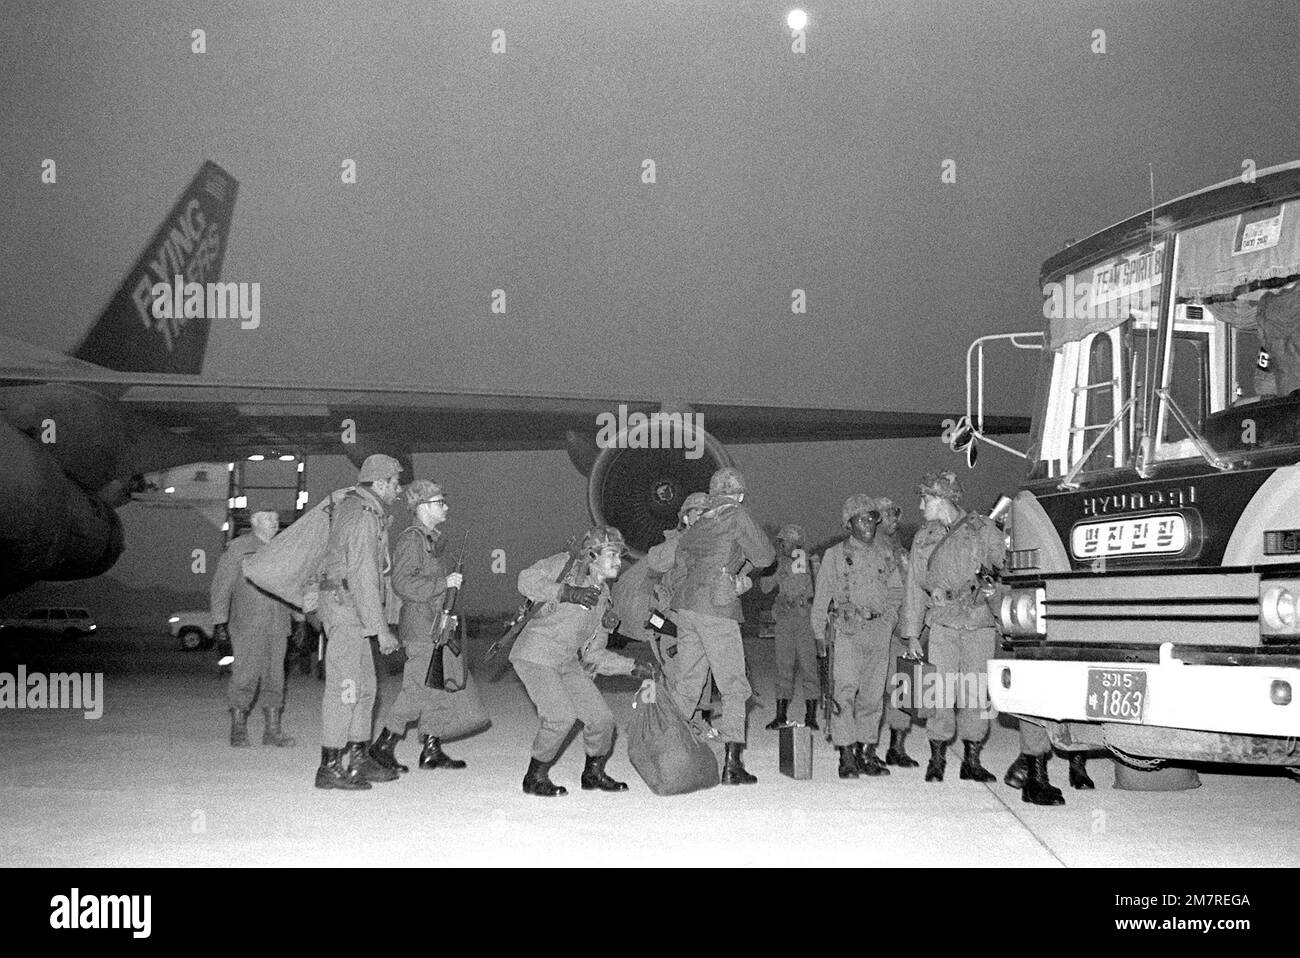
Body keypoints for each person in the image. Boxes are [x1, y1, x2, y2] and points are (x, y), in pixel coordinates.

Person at [510, 525, 648, 797]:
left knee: (602, 720)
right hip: (535, 654)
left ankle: (593, 773)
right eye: (612, 554)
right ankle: (534, 776)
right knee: (561, 716)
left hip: (566, 662)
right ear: (593, 555)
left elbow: (593, 654)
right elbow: (525, 580)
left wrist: (632, 667)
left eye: (620, 556)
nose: (618, 562)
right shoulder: (566, 564)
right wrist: (567, 592)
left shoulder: (604, 598)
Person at [663, 466, 775, 784]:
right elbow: (766, 557)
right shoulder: (736, 514)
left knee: (687, 685)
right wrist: (738, 575)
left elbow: (682, 559)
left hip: (686, 608)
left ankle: (668, 752)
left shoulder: (700, 521)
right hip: (717, 609)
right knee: (734, 687)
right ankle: (732, 766)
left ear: (713, 494)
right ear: (739, 494)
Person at [899, 471, 1004, 787]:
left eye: (925, 499)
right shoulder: (923, 537)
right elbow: (914, 588)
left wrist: (996, 564)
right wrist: (912, 633)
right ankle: (937, 757)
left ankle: (972, 760)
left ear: (940, 499)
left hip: (978, 621)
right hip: (943, 623)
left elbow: (1005, 565)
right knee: (939, 693)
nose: (921, 506)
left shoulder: (983, 528)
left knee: (975, 693)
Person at [313, 454, 404, 791]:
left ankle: (357, 759)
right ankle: (331, 766)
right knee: (345, 689)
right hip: (347, 611)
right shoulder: (363, 517)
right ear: (379, 484)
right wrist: (381, 630)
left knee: (365, 689)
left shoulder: (366, 512)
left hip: (355, 613)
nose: (398, 490)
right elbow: (364, 576)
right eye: (395, 484)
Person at [369, 480, 470, 774]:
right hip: (420, 627)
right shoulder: (412, 540)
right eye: (440, 502)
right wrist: (444, 582)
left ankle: (431, 749)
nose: (446, 507)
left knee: (436, 689)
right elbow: (402, 583)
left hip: (435, 625)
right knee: (417, 689)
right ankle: (382, 747)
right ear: (423, 507)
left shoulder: (428, 541)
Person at [810, 496, 905, 778]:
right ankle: (846, 754)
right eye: (861, 519)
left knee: (873, 697)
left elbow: (896, 592)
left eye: (872, 518)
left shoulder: (885, 552)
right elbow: (821, 599)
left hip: (879, 632)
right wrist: (819, 636)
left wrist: (888, 621)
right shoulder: (835, 555)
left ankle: (867, 752)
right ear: (849, 524)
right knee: (844, 693)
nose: (869, 524)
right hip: (847, 633)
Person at [210, 509, 295, 748]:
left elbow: (290, 584)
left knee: (275, 678)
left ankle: (272, 730)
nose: (274, 523)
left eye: (276, 519)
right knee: (245, 675)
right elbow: (221, 587)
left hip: (278, 624)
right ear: (254, 521)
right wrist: (219, 621)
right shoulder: (238, 547)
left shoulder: (283, 547)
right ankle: (238, 729)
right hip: (248, 624)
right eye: (268, 518)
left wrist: (298, 619)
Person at [760, 524, 820, 731]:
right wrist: (767, 565)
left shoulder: (804, 560)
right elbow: (765, 587)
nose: (780, 544)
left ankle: (811, 716)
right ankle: (780, 715)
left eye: (783, 541)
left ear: (795, 542)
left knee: (808, 668)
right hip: (785, 619)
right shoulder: (782, 563)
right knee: (783, 668)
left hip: (803, 619)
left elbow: (801, 587)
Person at [875, 497, 919, 767]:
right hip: (877, 626)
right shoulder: (867, 547)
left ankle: (897, 747)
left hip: (900, 628)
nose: (894, 519)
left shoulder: (898, 546)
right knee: (870, 690)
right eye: (888, 515)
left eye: (895, 514)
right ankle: (863, 748)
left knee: (904, 687)